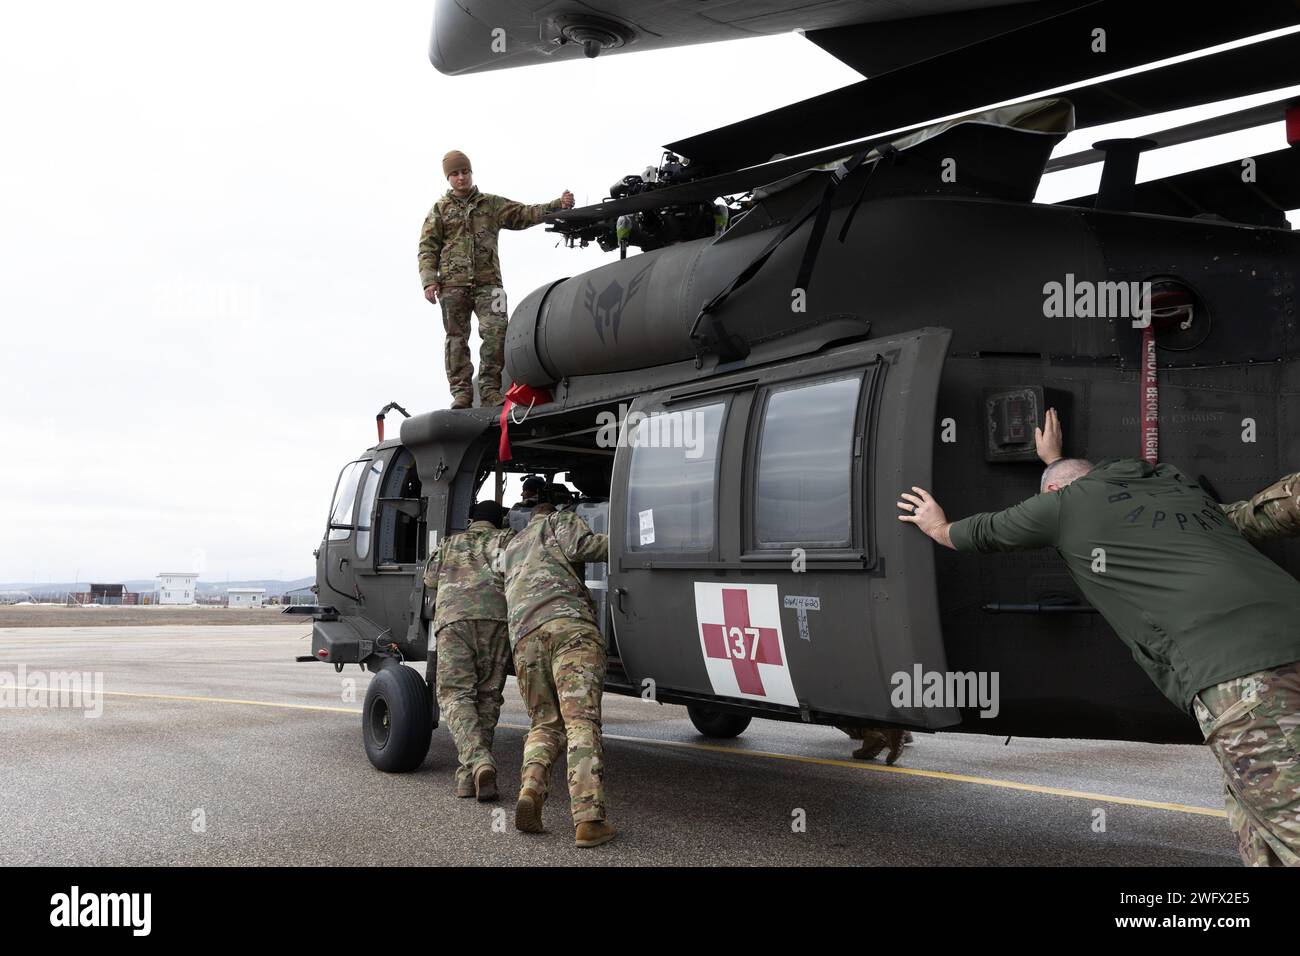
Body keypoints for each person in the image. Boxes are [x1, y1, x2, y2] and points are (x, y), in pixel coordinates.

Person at [897, 409, 1300, 866]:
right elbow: (1086, 485)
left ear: (1051, 493)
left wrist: (935, 525)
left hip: (1239, 675)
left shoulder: (1063, 506)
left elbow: (981, 533)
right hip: (1283, 642)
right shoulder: (1173, 487)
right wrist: (1055, 458)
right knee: (1257, 824)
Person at [418, 151, 574, 409]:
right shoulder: (439, 209)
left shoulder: (490, 204)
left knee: (498, 332)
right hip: (452, 286)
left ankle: (490, 389)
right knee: (456, 338)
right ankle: (462, 394)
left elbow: (524, 213)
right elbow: (427, 247)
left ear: (471, 172)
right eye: (455, 174)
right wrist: (428, 280)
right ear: (448, 178)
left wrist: (557, 204)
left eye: (464, 172)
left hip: (489, 284)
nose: (461, 177)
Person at [502, 502, 614, 848]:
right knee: (580, 722)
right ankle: (588, 820)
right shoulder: (561, 520)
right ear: (553, 511)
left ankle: (531, 791)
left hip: (525, 639)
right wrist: (630, 540)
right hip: (570, 631)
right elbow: (586, 547)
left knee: (544, 724)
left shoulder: (513, 545)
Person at [421, 500, 513, 801]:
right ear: (500, 520)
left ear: (472, 519)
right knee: (487, 695)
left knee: (456, 694)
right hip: (498, 621)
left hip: (455, 621)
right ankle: (468, 778)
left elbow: (430, 579)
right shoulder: (508, 539)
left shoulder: (450, 543)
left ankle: (478, 762)